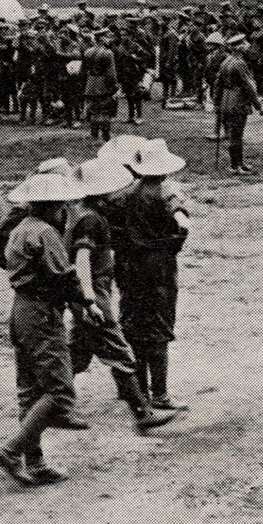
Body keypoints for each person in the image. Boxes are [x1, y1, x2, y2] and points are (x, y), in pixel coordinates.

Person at [0, 172, 100, 487]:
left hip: (21, 309)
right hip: (41, 313)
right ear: (54, 206)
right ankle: (12, 451)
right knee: (60, 390)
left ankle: (35, 462)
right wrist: (87, 303)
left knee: (30, 390)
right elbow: (63, 277)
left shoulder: (20, 229)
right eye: (62, 205)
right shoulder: (45, 233)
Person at [64, 159, 180, 433]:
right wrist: (90, 299)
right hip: (94, 296)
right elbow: (82, 259)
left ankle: (47, 399)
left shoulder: (81, 213)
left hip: (84, 294)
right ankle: (142, 412)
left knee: (78, 353)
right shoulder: (92, 220)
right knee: (120, 353)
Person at [112, 139, 191, 410]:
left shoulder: (124, 193)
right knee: (158, 328)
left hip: (128, 266)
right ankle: (160, 393)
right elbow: (183, 224)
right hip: (158, 268)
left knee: (134, 325)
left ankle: (139, 390)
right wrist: (174, 240)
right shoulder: (166, 192)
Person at [214, 35, 263, 174]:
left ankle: (239, 163)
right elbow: (249, 86)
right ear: (240, 47)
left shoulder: (226, 61)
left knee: (233, 134)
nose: (247, 46)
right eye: (244, 44)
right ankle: (235, 166)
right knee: (237, 135)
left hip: (226, 101)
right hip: (238, 102)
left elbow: (218, 84)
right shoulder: (240, 64)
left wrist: (217, 102)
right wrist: (259, 106)